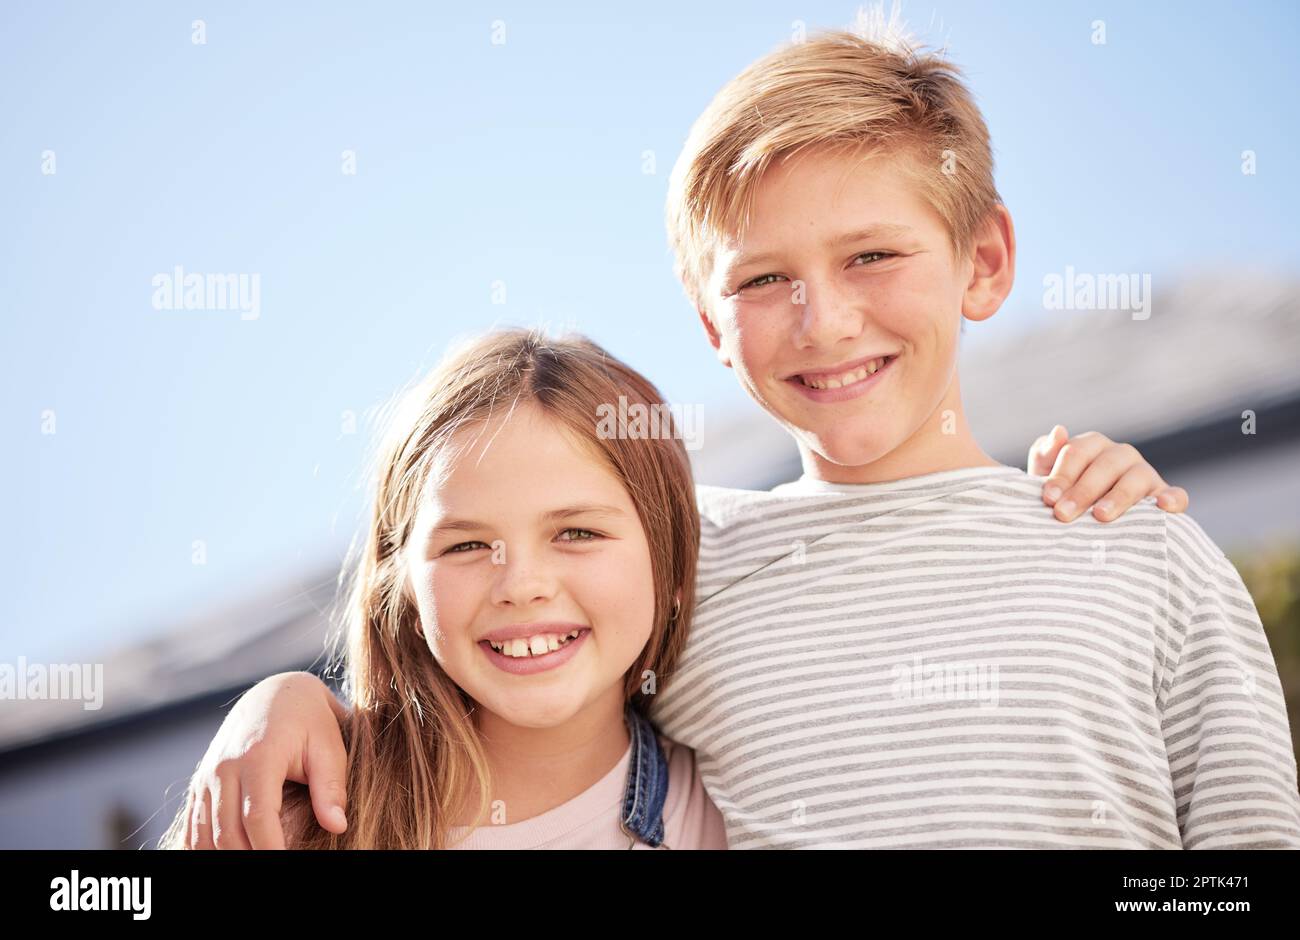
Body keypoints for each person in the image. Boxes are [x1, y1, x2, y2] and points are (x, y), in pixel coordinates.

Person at [175, 18, 1293, 850]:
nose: (825, 318)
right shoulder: (691, 566)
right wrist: (289, 698)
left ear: (985, 261)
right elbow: (506, 658)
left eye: (871, 255)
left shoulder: (1136, 546)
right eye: (764, 279)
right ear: (712, 320)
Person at [161, 330, 726, 849]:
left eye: (577, 533)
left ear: (671, 566)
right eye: (466, 546)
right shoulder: (286, 822)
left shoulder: (731, 813)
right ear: (400, 587)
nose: (521, 585)